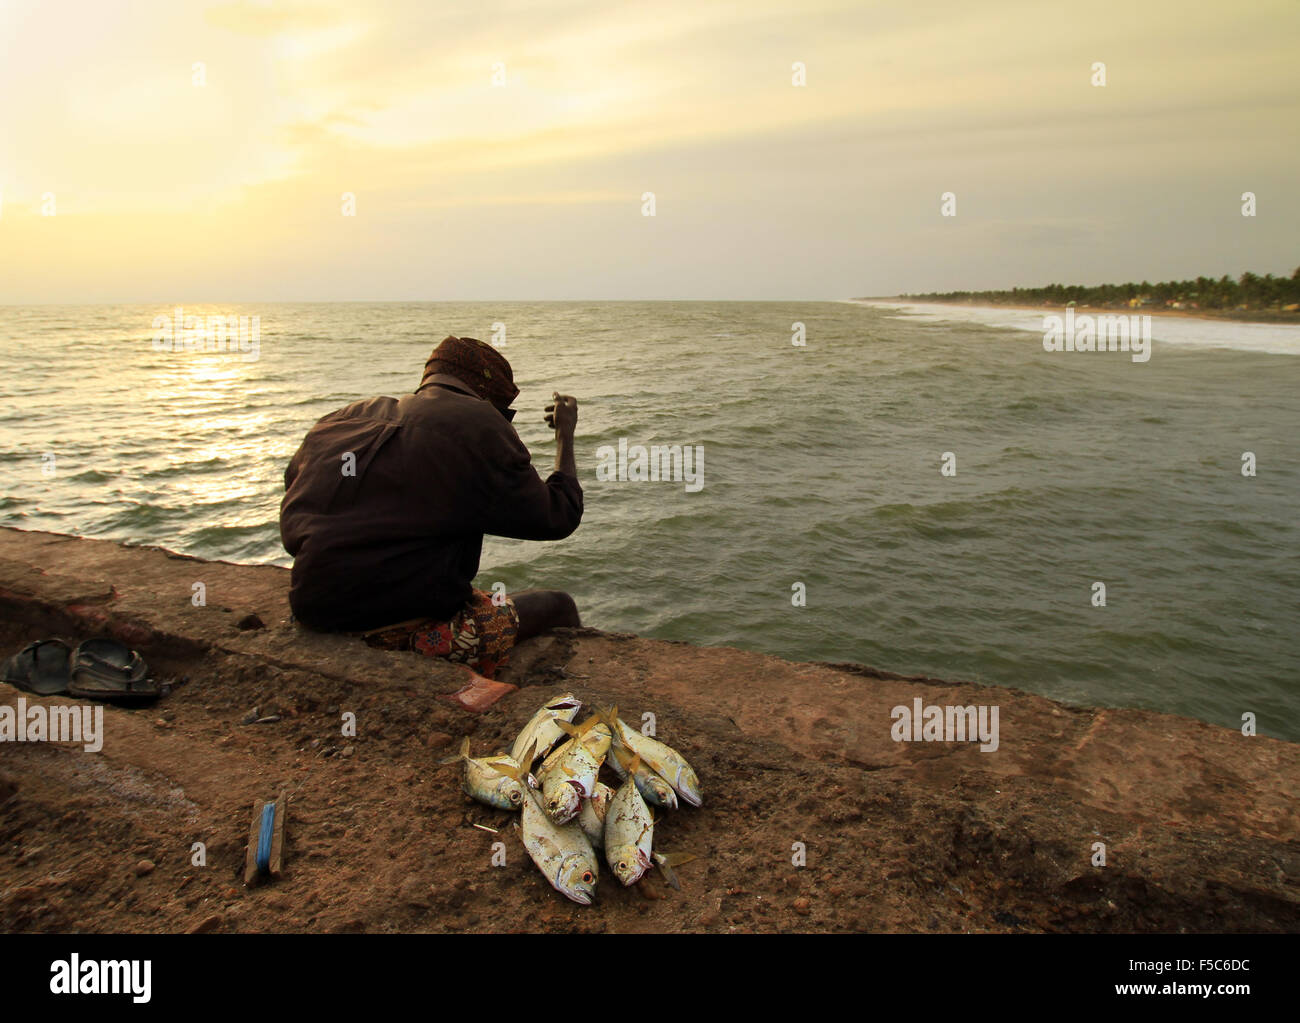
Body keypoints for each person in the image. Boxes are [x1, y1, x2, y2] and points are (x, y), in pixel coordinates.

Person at [279, 335, 583, 677]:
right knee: (558, 605)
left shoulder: (340, 419)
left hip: (311, 613)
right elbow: (558, 516)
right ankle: (551, 702)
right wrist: (565, 435)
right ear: (486, 395)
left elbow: (294, 504)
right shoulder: (479, 423)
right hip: (398, 632)